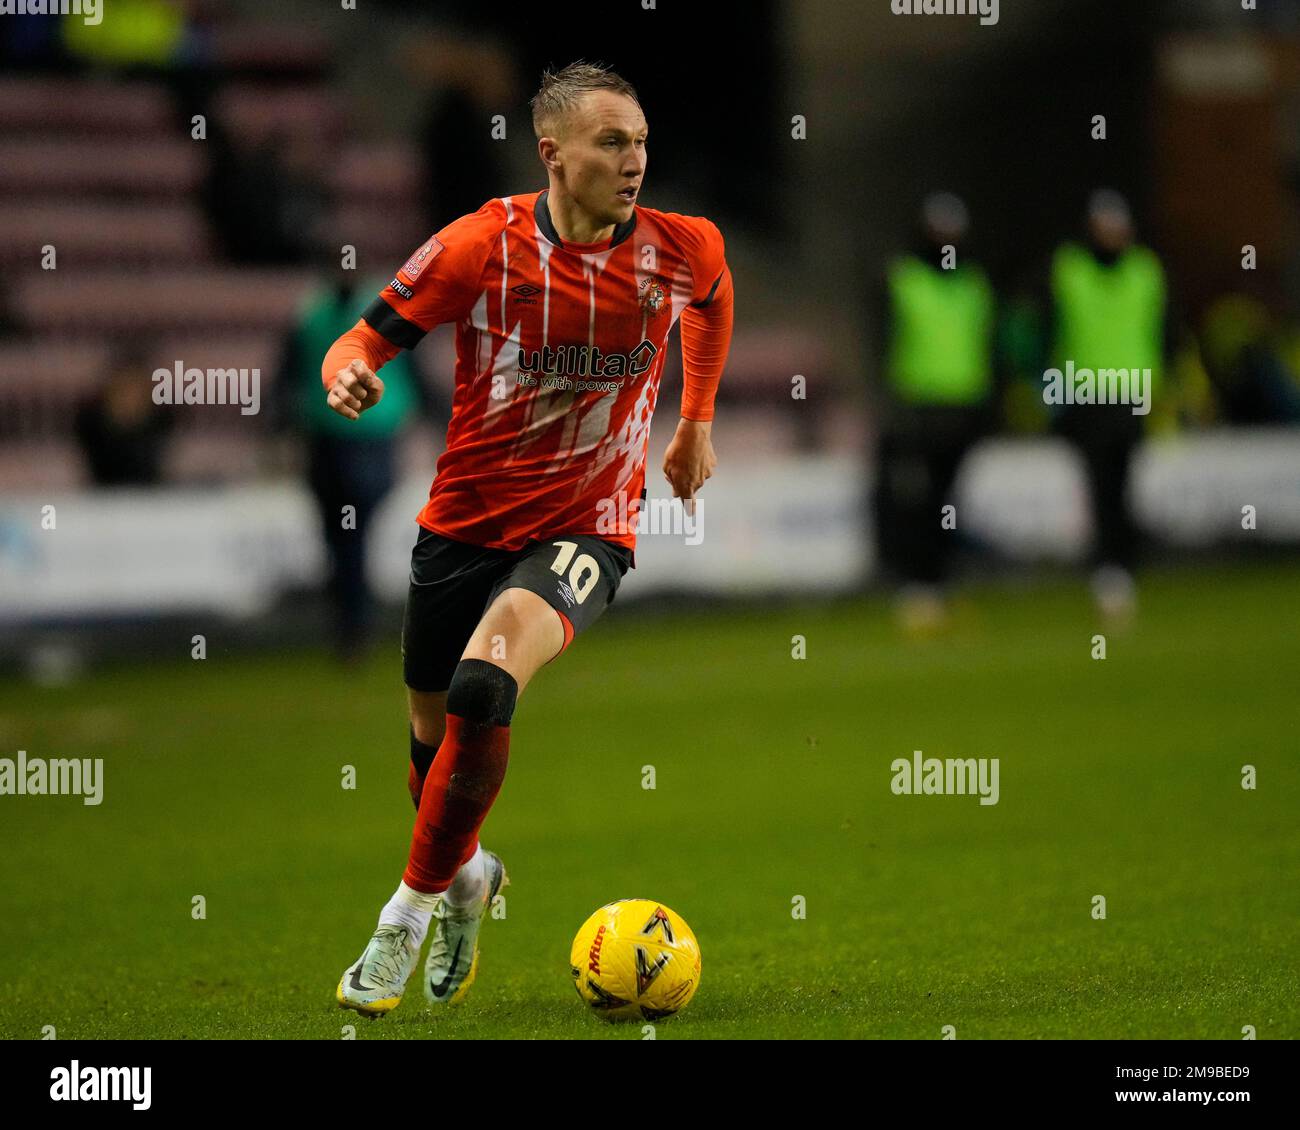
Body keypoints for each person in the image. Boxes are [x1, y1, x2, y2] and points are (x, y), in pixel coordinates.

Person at [321, 61, 734, 1015]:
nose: (635, 161)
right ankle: (467, 881)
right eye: (611, 142)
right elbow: (366, 336)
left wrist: (696, 418)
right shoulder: (479, 246)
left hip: (589, 526)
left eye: (640, 142)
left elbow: (711, 303)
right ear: (552, 153)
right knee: (432, 746)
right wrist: (349, 372)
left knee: (484, 681)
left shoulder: (683, 245)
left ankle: (403, 917)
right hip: (462, 526)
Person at [276, 269, 426, 663]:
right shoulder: (371, 308)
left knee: (346, 534)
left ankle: (352, 623)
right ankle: (354, 621)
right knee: (346, 535)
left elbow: (287, 376)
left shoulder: (312, 313)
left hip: (346, 437)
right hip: (355, 437)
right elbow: (416, 368)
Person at [873, 192, 997, 631]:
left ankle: (939, 585)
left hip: (963, 407)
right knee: (916, 501)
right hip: (919, 408)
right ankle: (916, 586)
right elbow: (883, 341)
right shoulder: (905, 279)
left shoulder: (974, 284)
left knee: (948, 503)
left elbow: (985, 346)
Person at [1046, 189, 1168, 621]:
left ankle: (1121, 567)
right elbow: (1054, 333)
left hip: (1132, 393)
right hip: (1085, 394)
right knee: (1099, 486)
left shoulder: (1145, 272)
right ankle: (1107, 572)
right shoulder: (1071, 270)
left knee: (1123, 484)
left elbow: (1158, 334)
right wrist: (1053, 396)